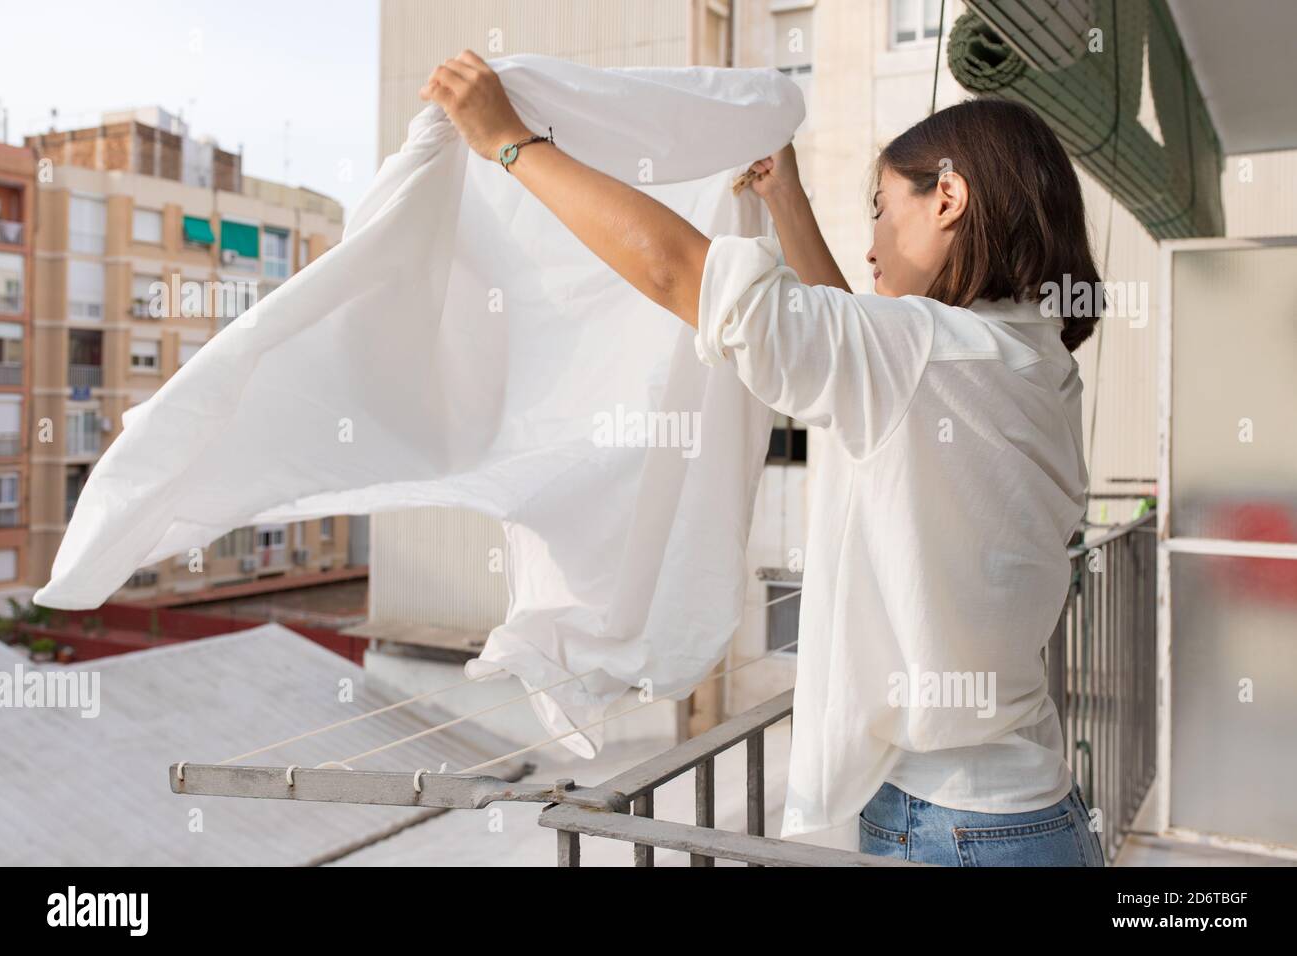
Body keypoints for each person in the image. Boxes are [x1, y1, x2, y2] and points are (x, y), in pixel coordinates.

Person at [421, 50, 1106, 867]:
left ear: (948, 198)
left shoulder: (924, 358)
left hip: (955, 831)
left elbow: (688, 276)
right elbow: (858, 339)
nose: (874, 238)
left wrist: (511, 143)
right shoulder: (1029, 361)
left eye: (884, 207)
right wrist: (783, 194)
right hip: (1028, 809)